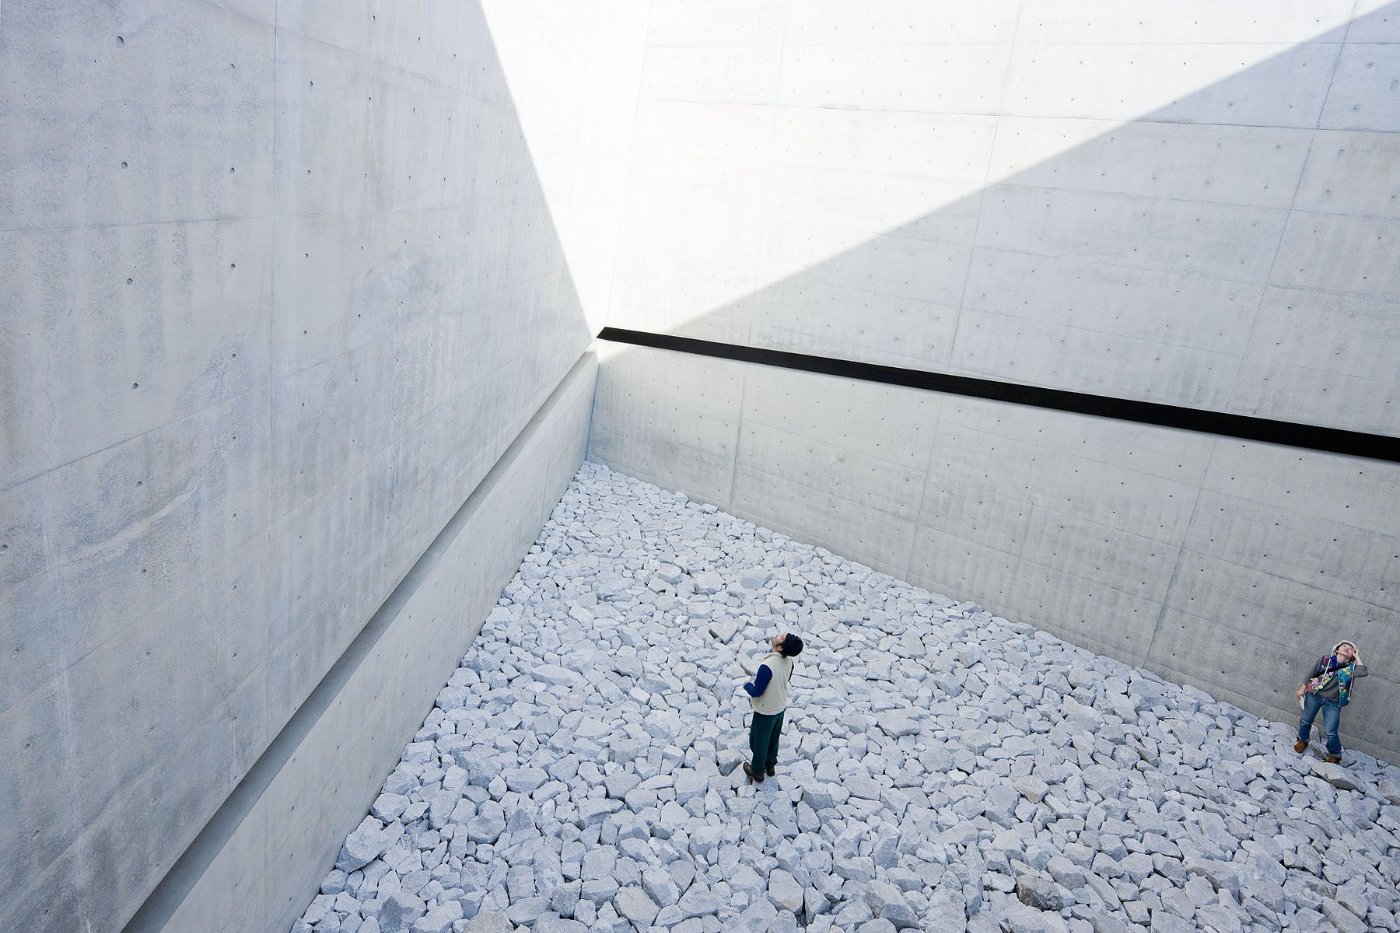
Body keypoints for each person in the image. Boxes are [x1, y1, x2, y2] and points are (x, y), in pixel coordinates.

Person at [741, 631, 803, 783]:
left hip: (765, 710)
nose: (778, 635)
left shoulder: (767, 666)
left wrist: (747, 685)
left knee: (758, 740)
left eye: (781, 637)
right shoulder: (789, 662)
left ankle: (757, 771)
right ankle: (770, 765)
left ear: (781, 648)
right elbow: (786, 678)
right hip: (780, 706)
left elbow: (757, 691)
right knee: (773, 738)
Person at [1295, 640, 1368, 763]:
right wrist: (1302, 688)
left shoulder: (1351, 669)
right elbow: (1311, 673)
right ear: (1337, 649)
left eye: (1351, 649)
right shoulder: (1325, 660)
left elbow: (1363, 672)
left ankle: (1335, 754)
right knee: (1305, 720)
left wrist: (1357, 657)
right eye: (1344, 646)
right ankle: (1302, 740)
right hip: (1314, 695)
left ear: (1352, 655)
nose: (1347, 648)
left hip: (1333, 703)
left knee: (1331, 731)